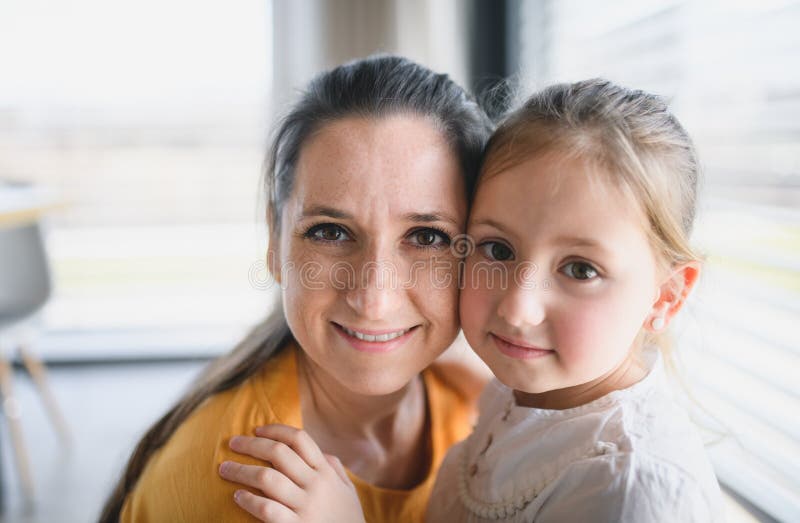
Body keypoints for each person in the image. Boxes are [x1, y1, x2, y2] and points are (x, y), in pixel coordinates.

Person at [99, 55, 492, 523]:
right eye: (329, 231)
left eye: (427, 237)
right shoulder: (247, 486)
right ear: (274, 240)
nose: (373, 298)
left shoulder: (484, 415)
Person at [424, 79, 725, 522]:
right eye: (498, 249)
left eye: (581, 270)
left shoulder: (629, 492)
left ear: (665, 297)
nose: (517, 309)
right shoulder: (525, 388)